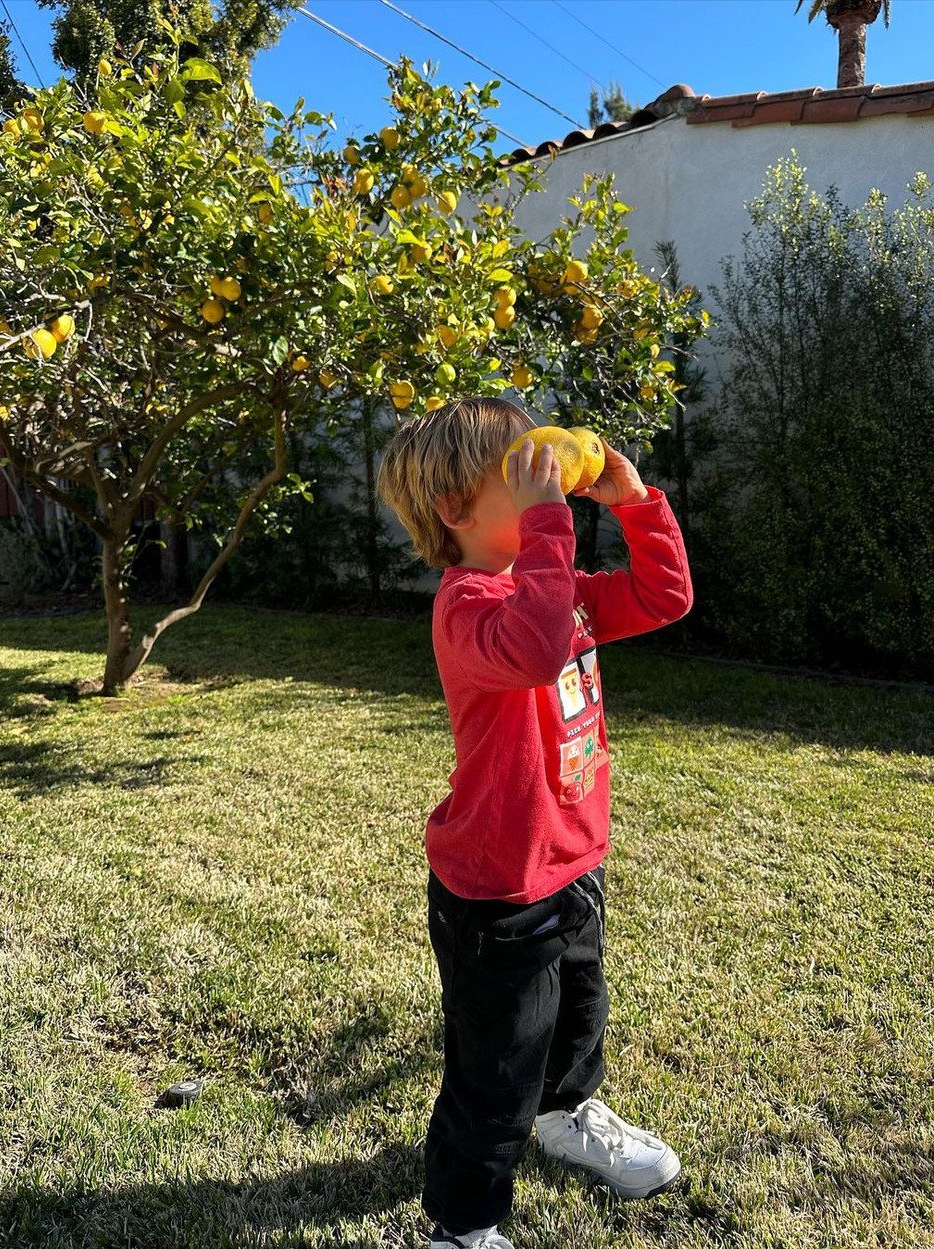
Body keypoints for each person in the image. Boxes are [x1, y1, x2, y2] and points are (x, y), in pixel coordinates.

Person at [376, 396, 693, 1249]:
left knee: (577, 1017)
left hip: (572, 861)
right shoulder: (469, 606)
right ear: (457, 511)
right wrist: (554, 524)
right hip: (496, 888)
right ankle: (463, 1223)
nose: (544, 472)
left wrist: (631, 501)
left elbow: (667, 598)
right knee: (495, 1070)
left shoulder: (557, 589)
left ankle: (567, 1115)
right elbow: (538, 645)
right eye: (519, 470)